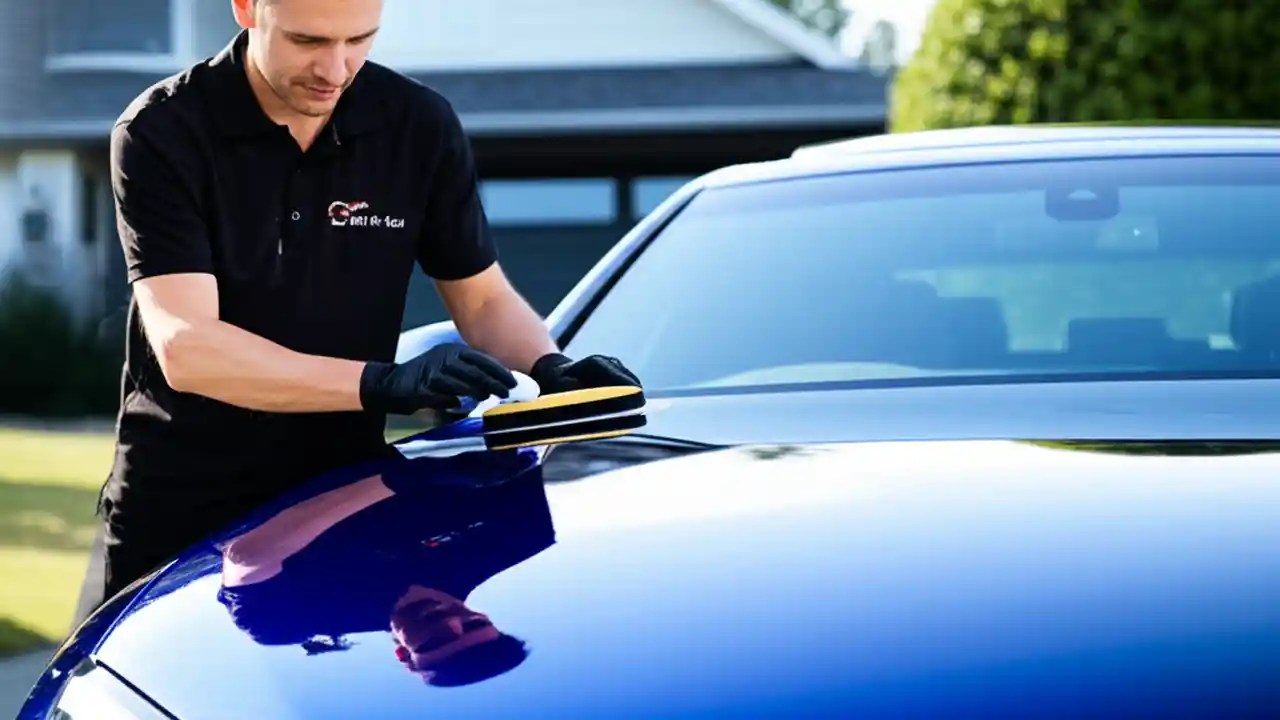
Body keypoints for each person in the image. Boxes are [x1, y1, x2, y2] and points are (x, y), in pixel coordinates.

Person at [80, 0, 639, 623]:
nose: (335, 68)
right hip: (179, 509)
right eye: (308, 40)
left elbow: (481, 298)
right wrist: (383, 382)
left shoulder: (416, 125)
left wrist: (548, 365)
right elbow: (189, 349)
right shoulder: (164, 131)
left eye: (359, 39)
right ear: (245, 8)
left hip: (343, 496)